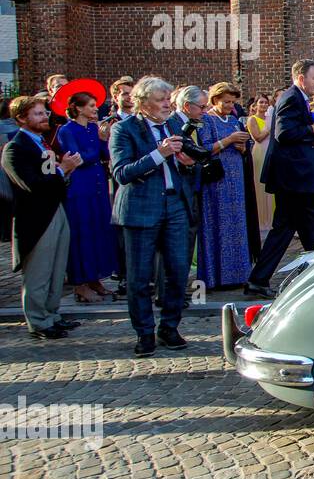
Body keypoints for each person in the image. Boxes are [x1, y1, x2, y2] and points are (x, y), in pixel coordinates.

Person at [245, 61, 314, 297]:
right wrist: (313, 129)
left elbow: (300, 131)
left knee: (291, 229)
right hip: (294, 178)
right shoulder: (291, 98)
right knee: (307, 226)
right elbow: (283, 133)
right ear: (301, 79)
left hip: (297, 178)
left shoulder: (298, 98)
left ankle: (259, 279)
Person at [109, 78, 197, 355]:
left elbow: (189, 163)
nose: (167, 104)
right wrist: (159, 154)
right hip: (140, 208)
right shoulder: (124, 129)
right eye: (161, 99)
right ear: (143, 101)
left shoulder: (172, 125)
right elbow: (122, 173)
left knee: (178, 271)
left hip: (175, 206)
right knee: (139, 276)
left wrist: (189, 162)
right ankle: (144, 332)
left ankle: (169, 327)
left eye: (168, 99)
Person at [2, 96, 81, 338]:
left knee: (57, 268)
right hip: (35, 217)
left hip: (55, 209)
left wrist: (64, 173)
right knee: (39, 271)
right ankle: (38, 321)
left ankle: (52, 314)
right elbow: (32, 184)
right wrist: (62, 170)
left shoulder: (43, 144)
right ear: (21, 119)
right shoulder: (16, 148)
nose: (45, 116)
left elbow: (53, 181)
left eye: (44, 112)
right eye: (37, 114)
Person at [55, 91, 117, 302]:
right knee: (81, 233)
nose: (94, 109)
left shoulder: (93, 128)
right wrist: (96, 146)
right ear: (79, 108)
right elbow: (77, 158)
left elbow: (106, 154)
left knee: (98, 231)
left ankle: (95, 278)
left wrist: (102, 140)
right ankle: (80, 283)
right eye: (90, 105)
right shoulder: (67, 130)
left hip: (98, 184)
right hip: (80, 188)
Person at [195, 83, 254, 291]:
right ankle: (215, 276)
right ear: (215, 100)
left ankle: (238, 273)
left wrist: (242, 147)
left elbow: (245, 148)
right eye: (226, 102)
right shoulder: (206, 120)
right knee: (217, 223)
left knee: (237, 223)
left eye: (232, 102)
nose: (230, 106)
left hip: (236, 177)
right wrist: (228, 140)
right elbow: (204, 148)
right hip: (217, 180)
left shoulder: (234, 120)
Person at [247, 93, 274, 236]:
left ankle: (272, 218)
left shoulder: (271, 118)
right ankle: (262, 219)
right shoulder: (252, 119)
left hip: (271, 152)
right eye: (261, 102)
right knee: (260, 185)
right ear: (255, 105)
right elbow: (257, 137)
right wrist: (269, 128)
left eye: (266, 103)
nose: (264, 105)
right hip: (260, 152)